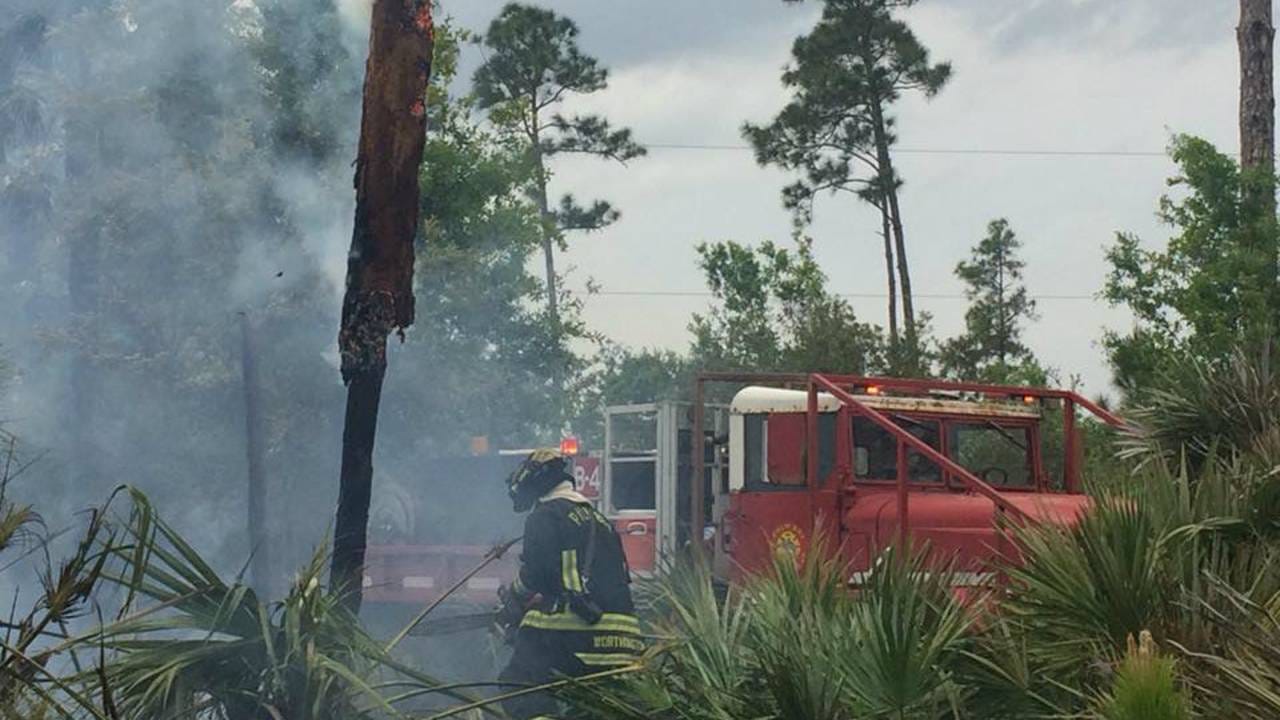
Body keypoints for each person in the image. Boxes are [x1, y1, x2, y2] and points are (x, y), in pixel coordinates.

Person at [496, 448, 642, 719]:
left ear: (534, 479)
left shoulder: (545, 515)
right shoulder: (601, 521)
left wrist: (514, 600)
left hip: (574, 633)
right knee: (596, 710)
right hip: (623, 642)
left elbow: (535, 575)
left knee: (518, 684)